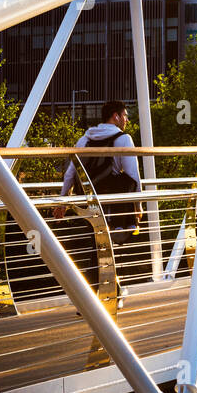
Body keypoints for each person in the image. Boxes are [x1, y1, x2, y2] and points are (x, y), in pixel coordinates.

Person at [52, 101, 144, 291]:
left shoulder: (85, 139)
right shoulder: (123, 139)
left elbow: (70, 173)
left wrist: (63, 200)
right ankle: (95, 296)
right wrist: (138, 206)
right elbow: (133, 176)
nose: (126, 120)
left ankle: (108, 291)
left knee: (98, 246)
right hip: (112, 203)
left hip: (88, 202)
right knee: (102, 247)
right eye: (125, 115)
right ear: (116, 116)